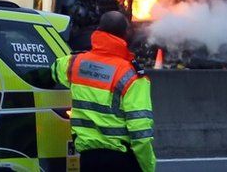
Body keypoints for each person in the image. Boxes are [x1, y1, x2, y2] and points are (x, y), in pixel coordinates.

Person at [50, 11, 155, 172]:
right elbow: (140, 132)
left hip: (88, 160)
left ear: (98, 30)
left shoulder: (74, 63)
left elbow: (52, 70)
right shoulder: (132, 76)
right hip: (121, 160)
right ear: (125, 34)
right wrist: (148, 168)